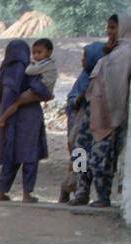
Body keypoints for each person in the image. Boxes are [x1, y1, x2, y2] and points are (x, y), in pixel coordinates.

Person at [0, 38, 54, 202]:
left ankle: (1, 192)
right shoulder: (27, 69)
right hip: (29, 118)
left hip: (10, 118)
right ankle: (27, 194)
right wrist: (45, 96)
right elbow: (41, 90)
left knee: (11, 156)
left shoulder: (5, 71)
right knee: (29, 156)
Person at [85, 13, 131, 208]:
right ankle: (82, 193)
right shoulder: (112, 52)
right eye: (109, 27)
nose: (109, 31)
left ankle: (103, 197)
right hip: (97, 114)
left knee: (105, 159)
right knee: (85, 157)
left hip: (113, 115)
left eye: (113, 27)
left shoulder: (125, 52)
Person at [63, 39, 107, 204]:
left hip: (99, 127)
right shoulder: (83, 78)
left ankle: (101, 196)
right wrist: (79, 99)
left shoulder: (102, 77)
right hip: (81, 128)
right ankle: (80, 193)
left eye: (85, 57)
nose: (82, 61)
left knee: (97, 161)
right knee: (79, 158)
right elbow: (72, 99)